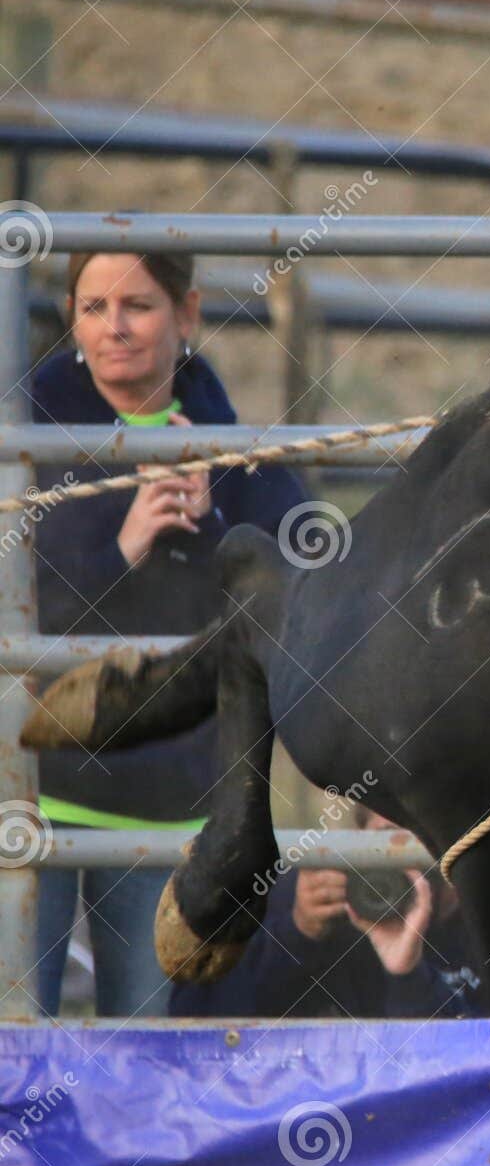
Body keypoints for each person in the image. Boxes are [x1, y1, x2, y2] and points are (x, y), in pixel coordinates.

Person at [27, 252, 307, 1019]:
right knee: (18, 1053)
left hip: (173, 800)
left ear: (186, 314)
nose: (113, 326)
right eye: (92, 306)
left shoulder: (226, 435)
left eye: (137, 305)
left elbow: (302, 567)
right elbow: (21, 598)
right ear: (72, 320)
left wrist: (216, 515)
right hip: (32, 793)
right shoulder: (26, 425)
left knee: (144, 1067)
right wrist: (122, 543)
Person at [168, 807, 484, 1020]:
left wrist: (409, 974)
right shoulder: (308, 896)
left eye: (417, 838)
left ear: (454, 840)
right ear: (360, 837)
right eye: (388, 836)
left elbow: (468, 1081)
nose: (402, 861)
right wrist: (299, 933)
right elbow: (199, 1025)